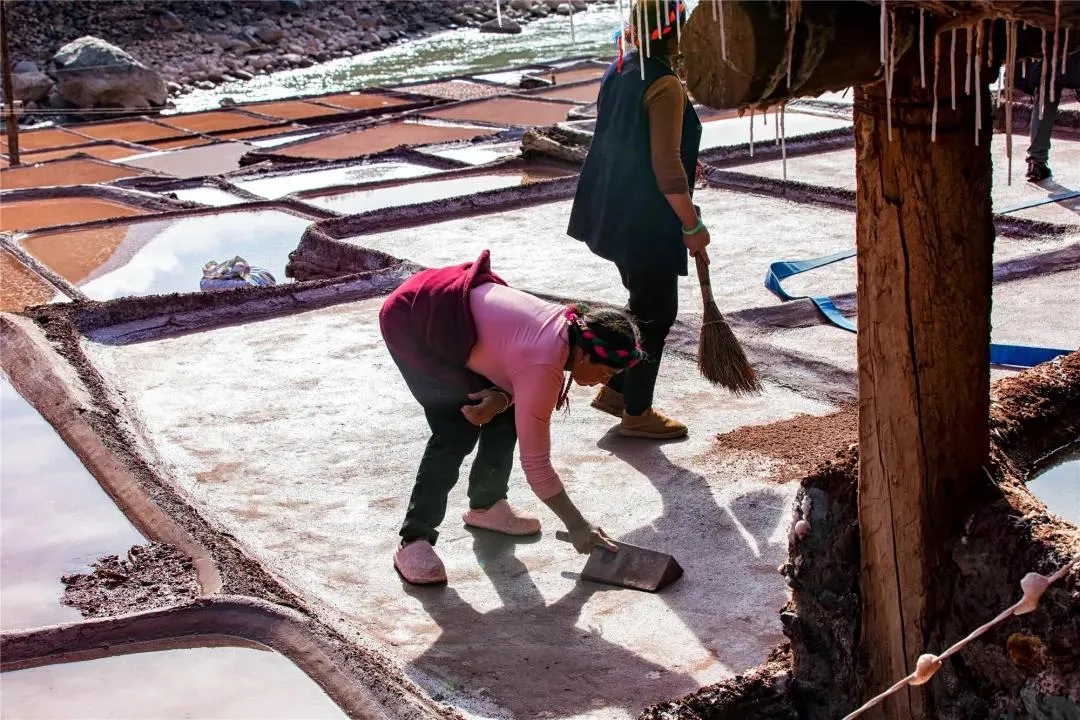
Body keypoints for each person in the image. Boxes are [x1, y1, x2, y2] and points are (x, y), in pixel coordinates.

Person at [379, 250, 641, 585]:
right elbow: (538, 466)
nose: (605, 381)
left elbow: (513, 367)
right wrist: (578, 524)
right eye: (606, 370)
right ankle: (414, 540)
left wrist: (502, 396)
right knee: (458, 426)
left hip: (453, 314)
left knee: (504, 410)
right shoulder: (544, 363)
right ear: (586, 352)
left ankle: (487, 506)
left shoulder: (568, 329)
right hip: (414, 321)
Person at [567, 0, 707, 441]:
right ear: (674, 33)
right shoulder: (663, 83)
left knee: (643, 302)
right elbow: (666, 168)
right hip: (646, 217)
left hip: (613, 207)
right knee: (657, 313)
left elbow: (631, 138)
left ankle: (617, 388)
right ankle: (638, 413)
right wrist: (691, 225)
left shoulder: (622, 65)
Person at [1017, 48, 1080, 181]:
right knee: (1047, 88)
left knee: (1046, 91)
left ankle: (1036, 162)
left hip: (1047, 50)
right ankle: (1036, 160)